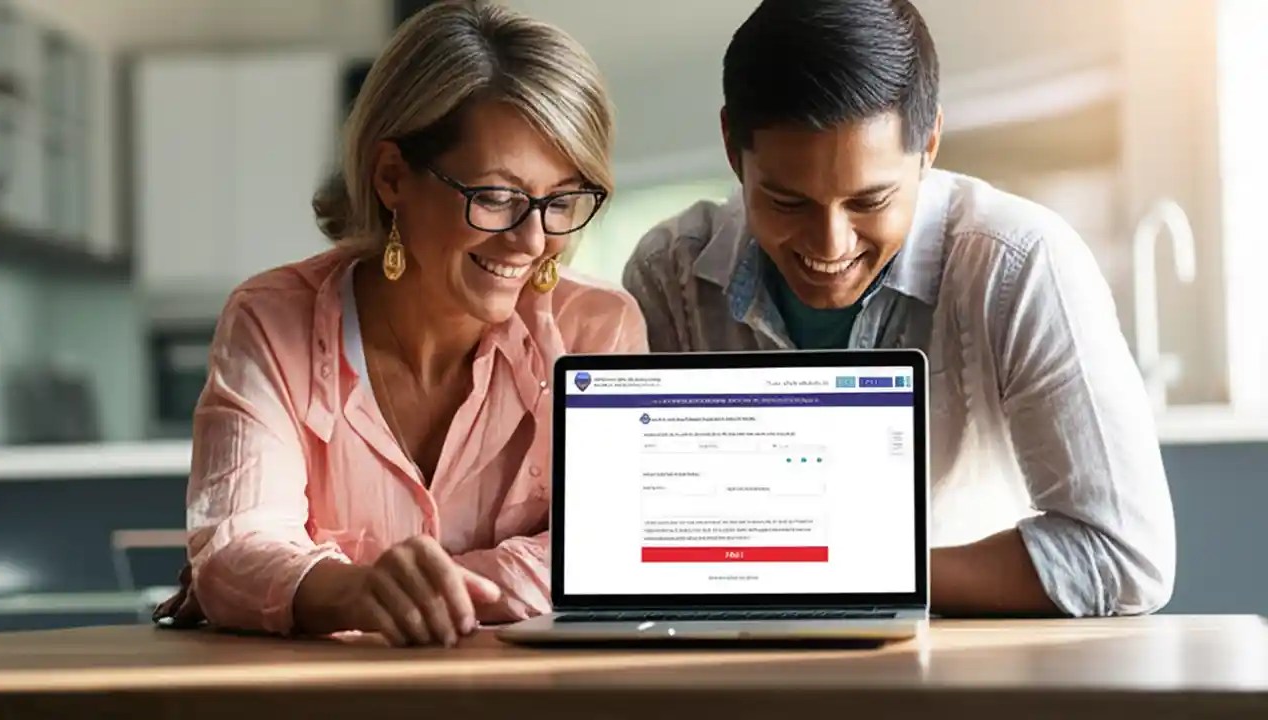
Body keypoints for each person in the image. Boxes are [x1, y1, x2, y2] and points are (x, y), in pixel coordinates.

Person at [622, 0, 1175, 617]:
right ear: (732, 146)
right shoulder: (671, 271)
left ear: (929, 143)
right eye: (786, 202)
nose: (829, 247)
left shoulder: (1017, 264)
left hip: (954, 675)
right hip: (738, 666)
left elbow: (1122, 557)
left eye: (870, 201)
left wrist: (844, 574)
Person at [152, 0, 645, 646]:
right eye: (496, 196)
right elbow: (235, 548)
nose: (532, 239)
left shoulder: (597, 328)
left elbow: (610, 549)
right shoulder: (273, 322)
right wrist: (358, 588)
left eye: (561, 201)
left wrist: (348, 591)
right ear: (391, 177)